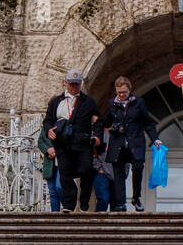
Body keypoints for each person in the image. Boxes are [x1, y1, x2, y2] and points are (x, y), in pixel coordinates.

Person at [41, 69, 101, 213]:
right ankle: (68, 205)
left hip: (83, 144)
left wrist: (97, 136)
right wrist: (49, 130)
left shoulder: (88, 101)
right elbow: (48, 121)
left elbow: (99, 121)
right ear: (66, 83)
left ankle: (84, 203)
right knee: (65, 174)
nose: (74, 87)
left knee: (86, 171)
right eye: (72, 84)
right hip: (63, 144)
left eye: (77, 84)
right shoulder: (56, 101)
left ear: (80, 84)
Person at [99, 76, 159, 211]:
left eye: (124, 92)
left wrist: (156, 139)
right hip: (117, 143)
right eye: (119, 92)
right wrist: (105, 123)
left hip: (135, 142)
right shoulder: (112, 104)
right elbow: (107, 121)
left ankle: (136, 197)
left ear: (129, 90)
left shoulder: (139, 103)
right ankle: (120, 203)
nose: (121, 95)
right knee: (118, 173)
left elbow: (148, 123)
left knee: (138, 167)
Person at [37, 125, 62, 212]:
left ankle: (66, 207)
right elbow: (40, 141)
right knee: (52, 192)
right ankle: (55, 216)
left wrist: (56, 150)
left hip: (61, 162)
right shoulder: (46, 127)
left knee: (59, 186)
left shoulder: (64, 123)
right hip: (49, 163)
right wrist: (47, 150)